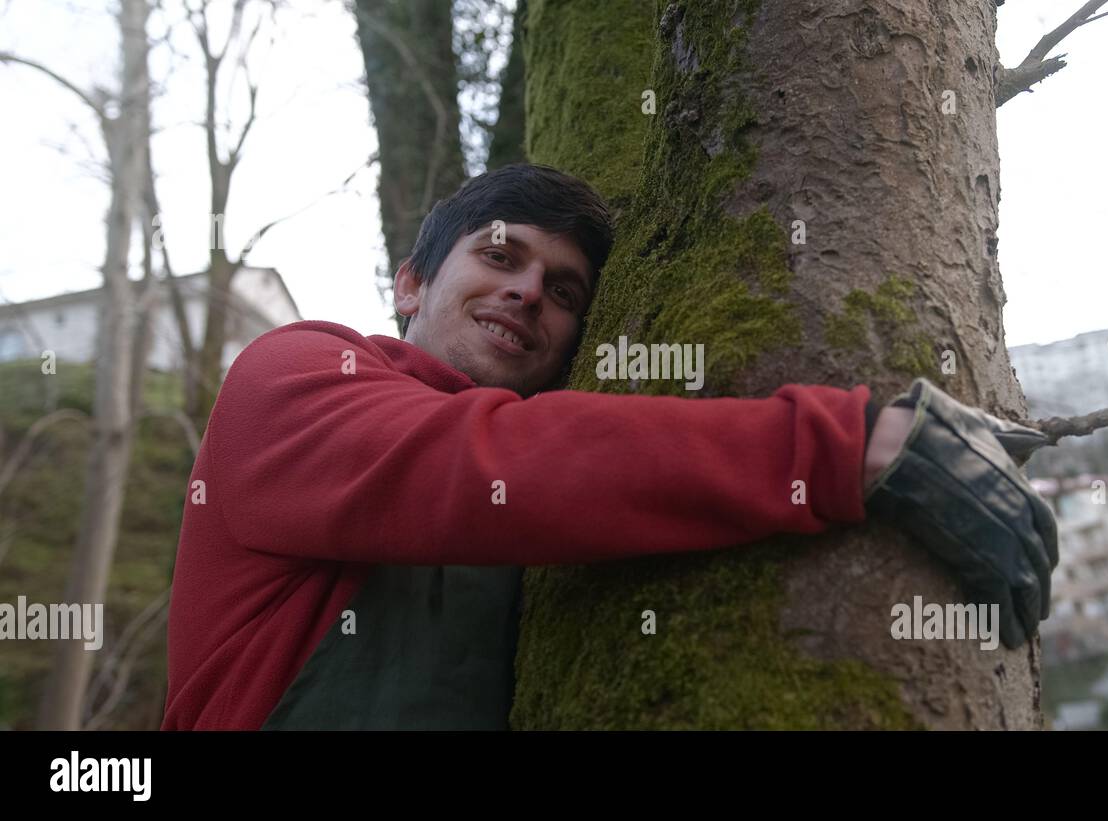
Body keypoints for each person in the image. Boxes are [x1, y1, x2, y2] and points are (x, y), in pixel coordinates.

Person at [162, 163, 1057, 730]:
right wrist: (853, 444)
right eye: (500, 257)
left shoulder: (564, 497)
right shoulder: (297, 373)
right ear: (411, 282)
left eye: (562, 290)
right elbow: (484, 464)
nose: (526, 294)